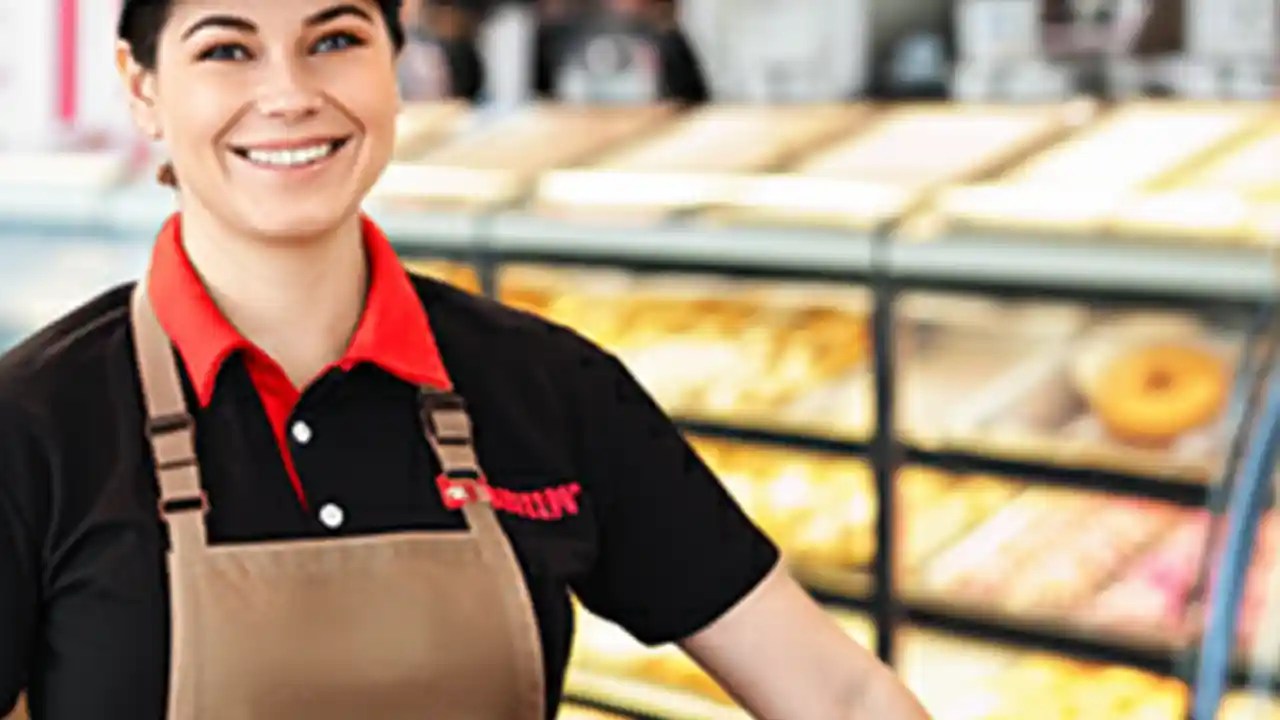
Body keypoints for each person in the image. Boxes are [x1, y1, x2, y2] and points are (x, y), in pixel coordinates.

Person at [0, 1, 932, 718]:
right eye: (225, 49)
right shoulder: (37, 423)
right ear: (142, 86)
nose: (287, 92)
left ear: (394, 68)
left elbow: (837, 694)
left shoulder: (549, 389)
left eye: (335, 39)